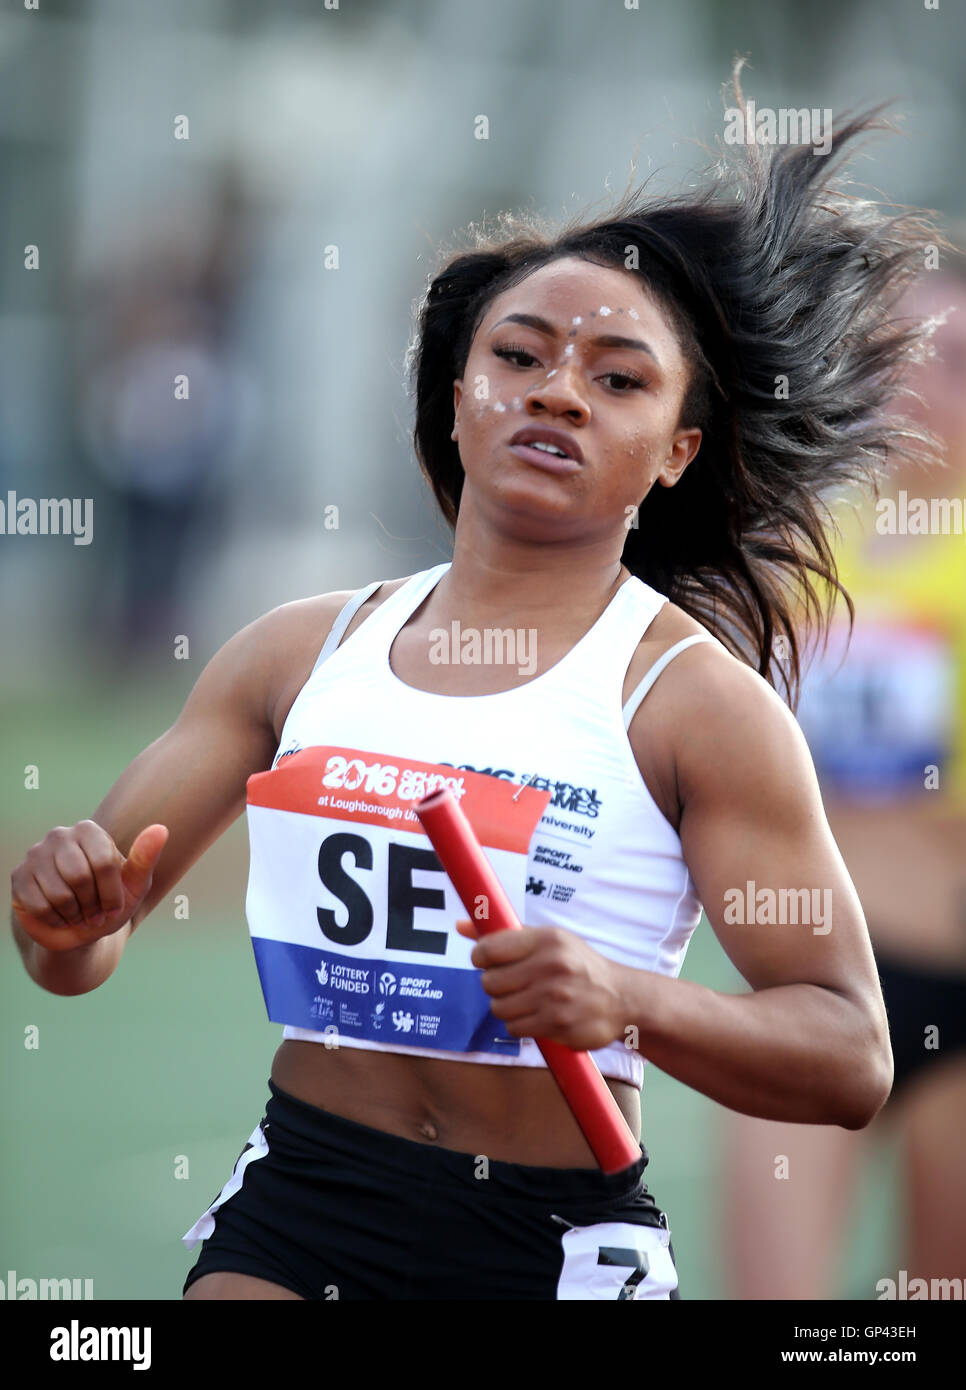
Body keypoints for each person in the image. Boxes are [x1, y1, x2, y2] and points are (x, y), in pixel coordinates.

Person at [9, 78, 941, 1301]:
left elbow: (850, 1053)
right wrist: (62, 920)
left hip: (551, 1241)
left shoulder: (692, 705)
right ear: (458, 399)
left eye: (619, 379)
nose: (556, 389)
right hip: (306, 1205)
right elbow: (82, 948)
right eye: (517, 355)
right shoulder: (294, 654)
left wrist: (623, 1000)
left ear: (678, 452)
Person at [721, 264, 966, 1300]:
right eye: (898, 359)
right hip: (809, 987)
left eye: (952, 361)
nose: (921, 386)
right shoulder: (798, 548)